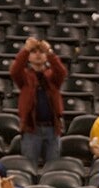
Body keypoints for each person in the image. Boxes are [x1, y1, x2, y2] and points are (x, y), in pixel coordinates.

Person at [10, 36, 67, 168]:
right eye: (34, 52)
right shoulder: (25, 77)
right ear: (29, 57)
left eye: (41, 52)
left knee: (52, 168)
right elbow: (15, 70)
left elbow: (61, 71)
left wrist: (50, 52)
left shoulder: (52, 77)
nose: (38, 55)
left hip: (52, 128)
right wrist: (26, 49)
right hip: (31, 129)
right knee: (29, 167)